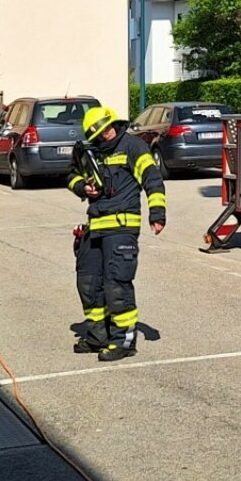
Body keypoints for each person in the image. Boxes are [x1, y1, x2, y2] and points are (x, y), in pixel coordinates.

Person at [68, 105, 167, 362]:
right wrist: (82, 187)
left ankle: (123, 341)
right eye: (100, 133)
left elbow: (152, 179)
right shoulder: (92, 152)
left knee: (116, 285)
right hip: (96, 226)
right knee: (88, 283)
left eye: (108, 129)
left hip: (122, 227)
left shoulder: (132, 146)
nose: (107, 135)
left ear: (114, 123)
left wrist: (157, 214)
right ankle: (97, 336)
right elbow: (71, 174)